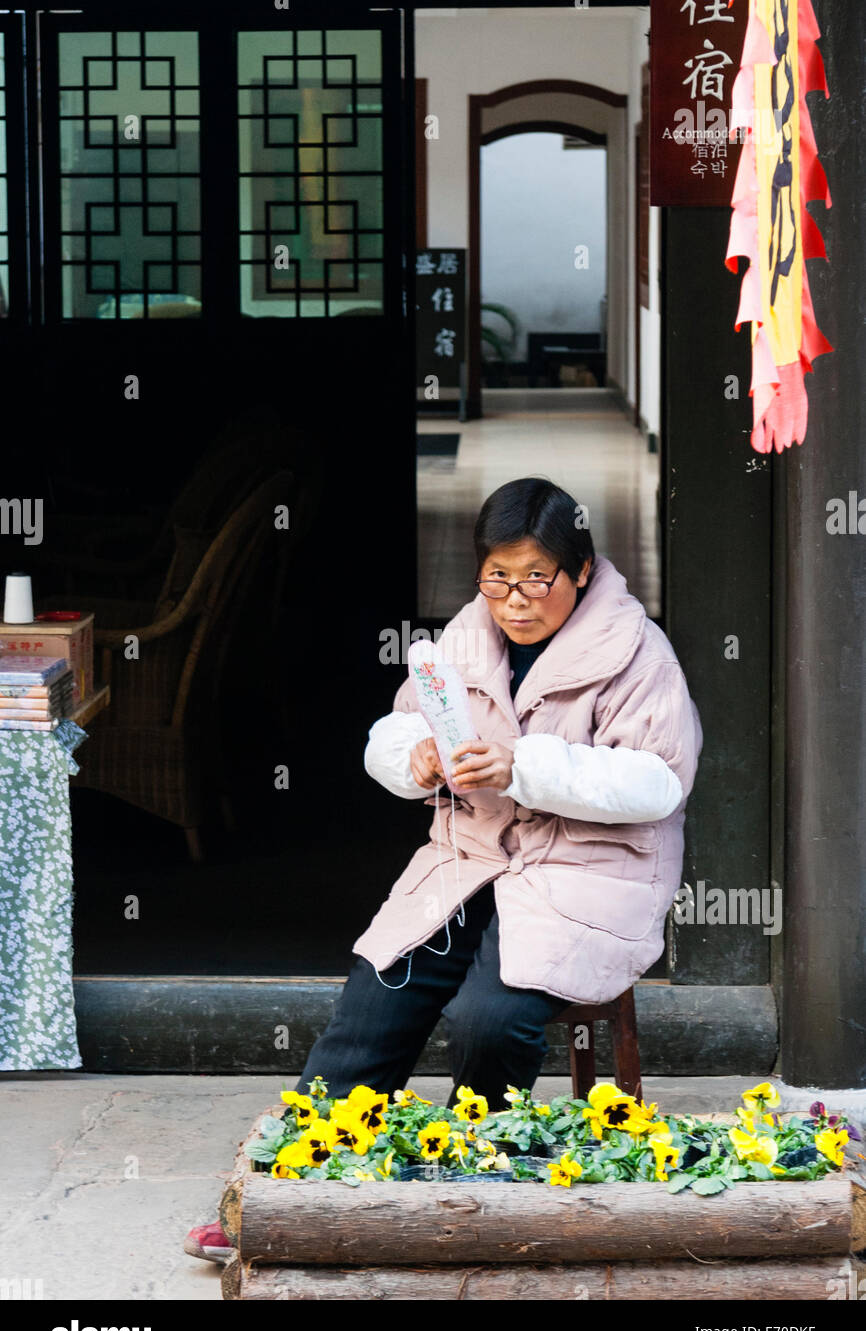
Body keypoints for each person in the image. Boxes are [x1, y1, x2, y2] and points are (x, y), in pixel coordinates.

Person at [184, 476, 702, 1262]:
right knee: (378, 990)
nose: (515, 600)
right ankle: (292, 1185)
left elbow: (658, 781)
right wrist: (415, 757)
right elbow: (389, 733)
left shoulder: (637, 652)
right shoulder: (464, 637)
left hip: (586, 872)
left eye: (536, 578)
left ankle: (470, 1185)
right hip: (471, 856)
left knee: (489, 1019)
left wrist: (522, 767)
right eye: (497, 578)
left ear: (583, 572)